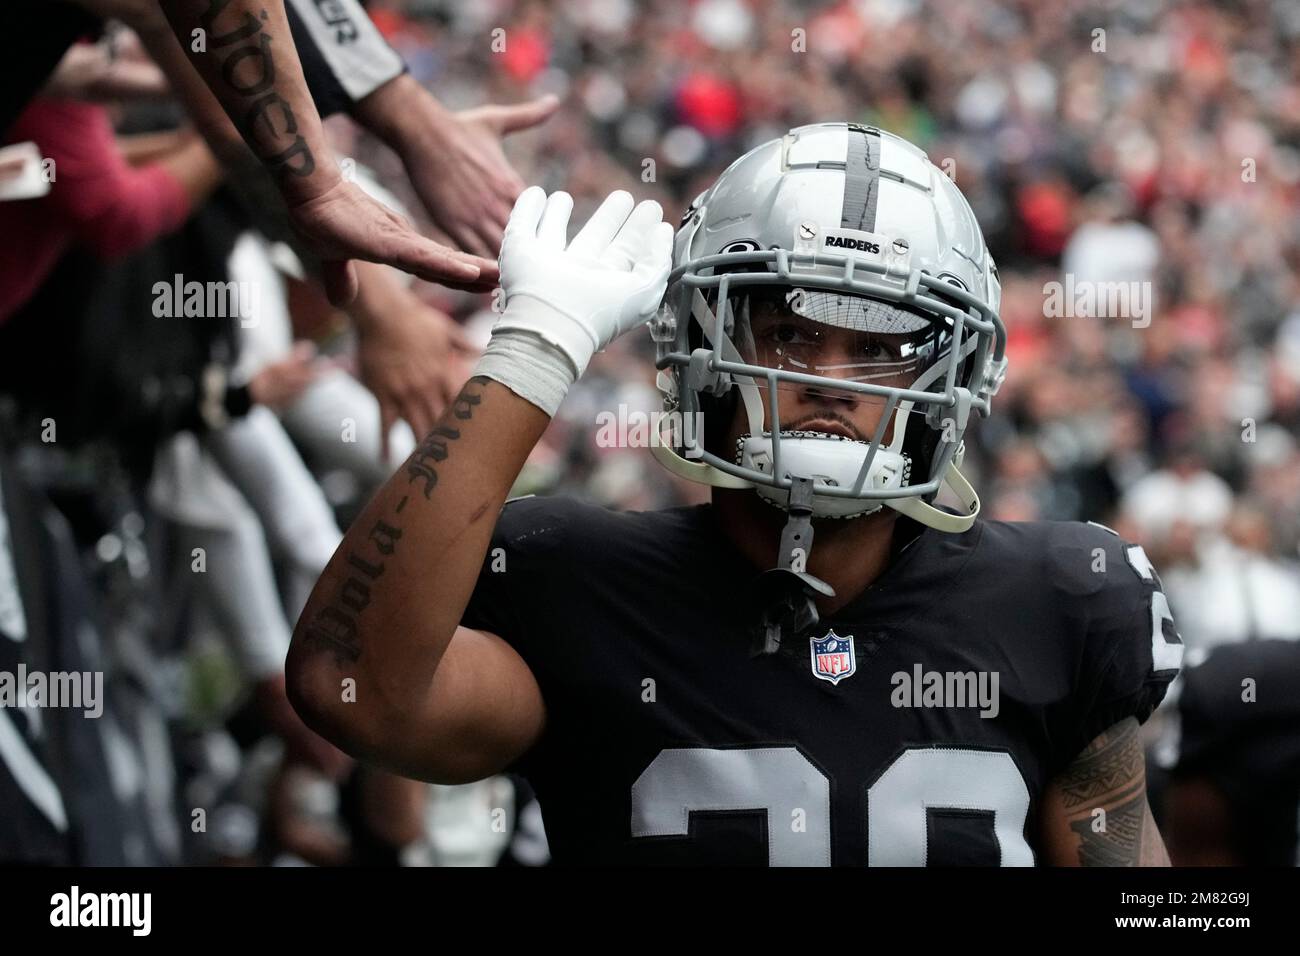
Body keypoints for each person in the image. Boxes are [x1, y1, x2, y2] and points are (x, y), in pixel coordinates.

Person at [286, 122, 1184, 866]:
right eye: (791, 332)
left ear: (956, 374)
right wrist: (535, 347)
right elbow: (348, 684)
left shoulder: (1059, 601)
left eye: (878, 347)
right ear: (705, 345)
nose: (835, 381)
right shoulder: (582, 584)